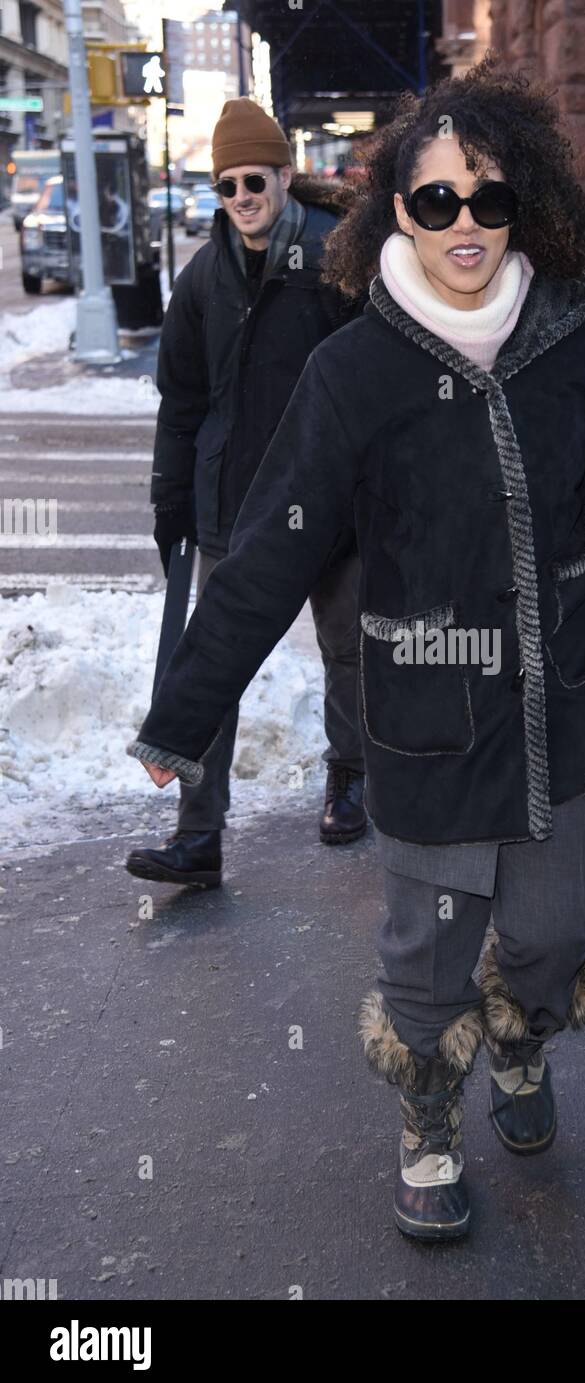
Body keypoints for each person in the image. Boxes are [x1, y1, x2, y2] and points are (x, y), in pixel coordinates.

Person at [127, 57, 585, 1240]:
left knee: (556, 937)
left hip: (557, 704)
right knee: (426, 962)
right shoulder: (353, 372)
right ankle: (428, 1119)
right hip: (426, 717)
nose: (464, 223)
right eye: (436, 199)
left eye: (488, 198)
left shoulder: (582, 343)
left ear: (527, 204)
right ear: (392, 208)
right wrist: (184, 712)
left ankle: (518, 1048)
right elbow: (270, 549)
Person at [126, 97, 367, 892]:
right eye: (225, 185)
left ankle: (349, 780)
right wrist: (171, 502)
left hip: (328, 503)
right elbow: (182, 401)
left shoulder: (337, 260)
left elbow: (380, 383)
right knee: (214, 662)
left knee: (347, 652)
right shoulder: (202, 276)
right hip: (232, 502)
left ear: (285, 175)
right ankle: (198, 836)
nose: (241, 198)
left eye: (253, 180)